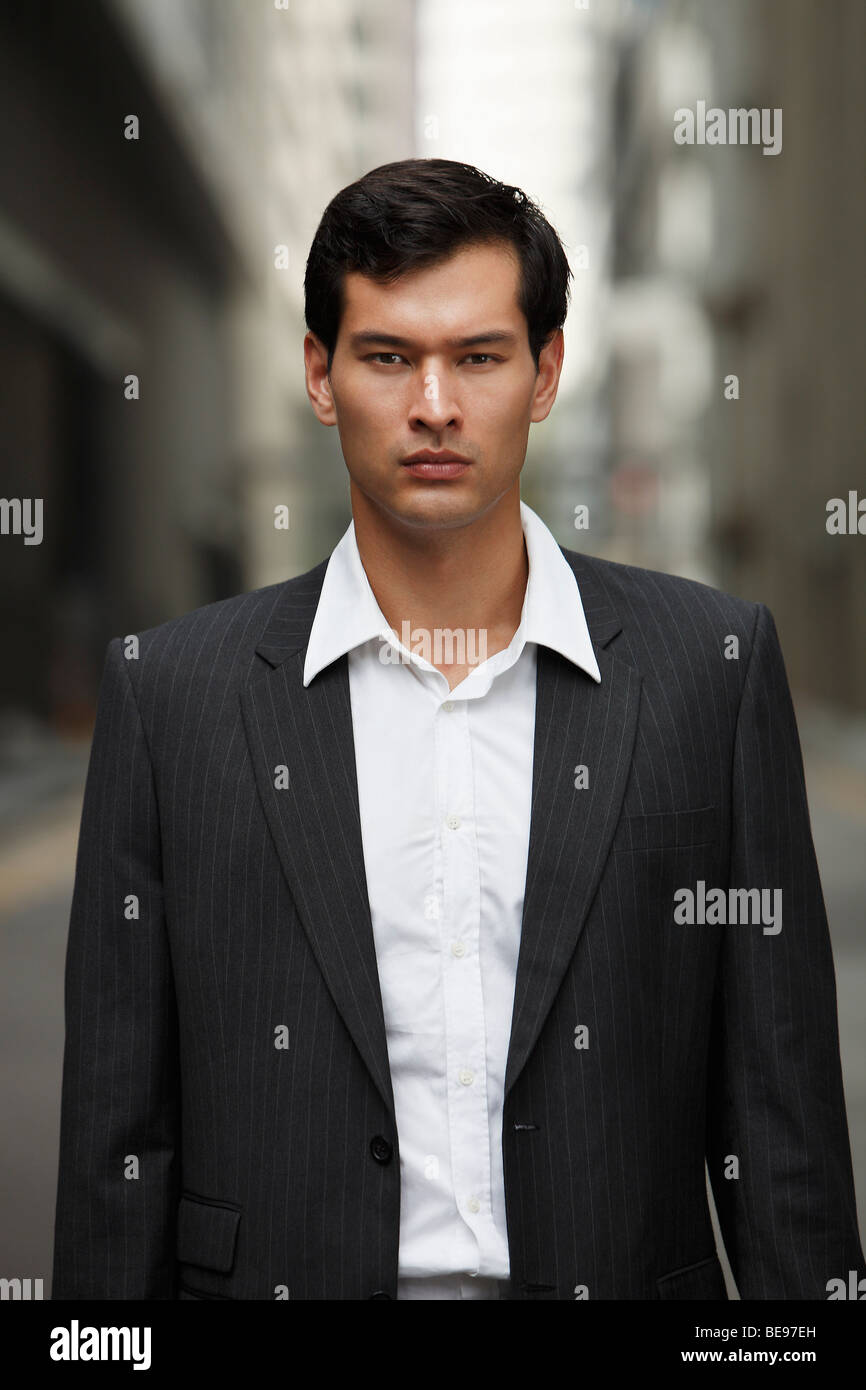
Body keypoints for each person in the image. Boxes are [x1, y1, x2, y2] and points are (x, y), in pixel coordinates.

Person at [52, 158, 864, 1300]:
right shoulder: (169, 695)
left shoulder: (710, 671)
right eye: (387, 356)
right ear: (319, 375)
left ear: (544, 373)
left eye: (477, 356)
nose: (433, 404)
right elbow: (113, 1143)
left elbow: (782, 1122)